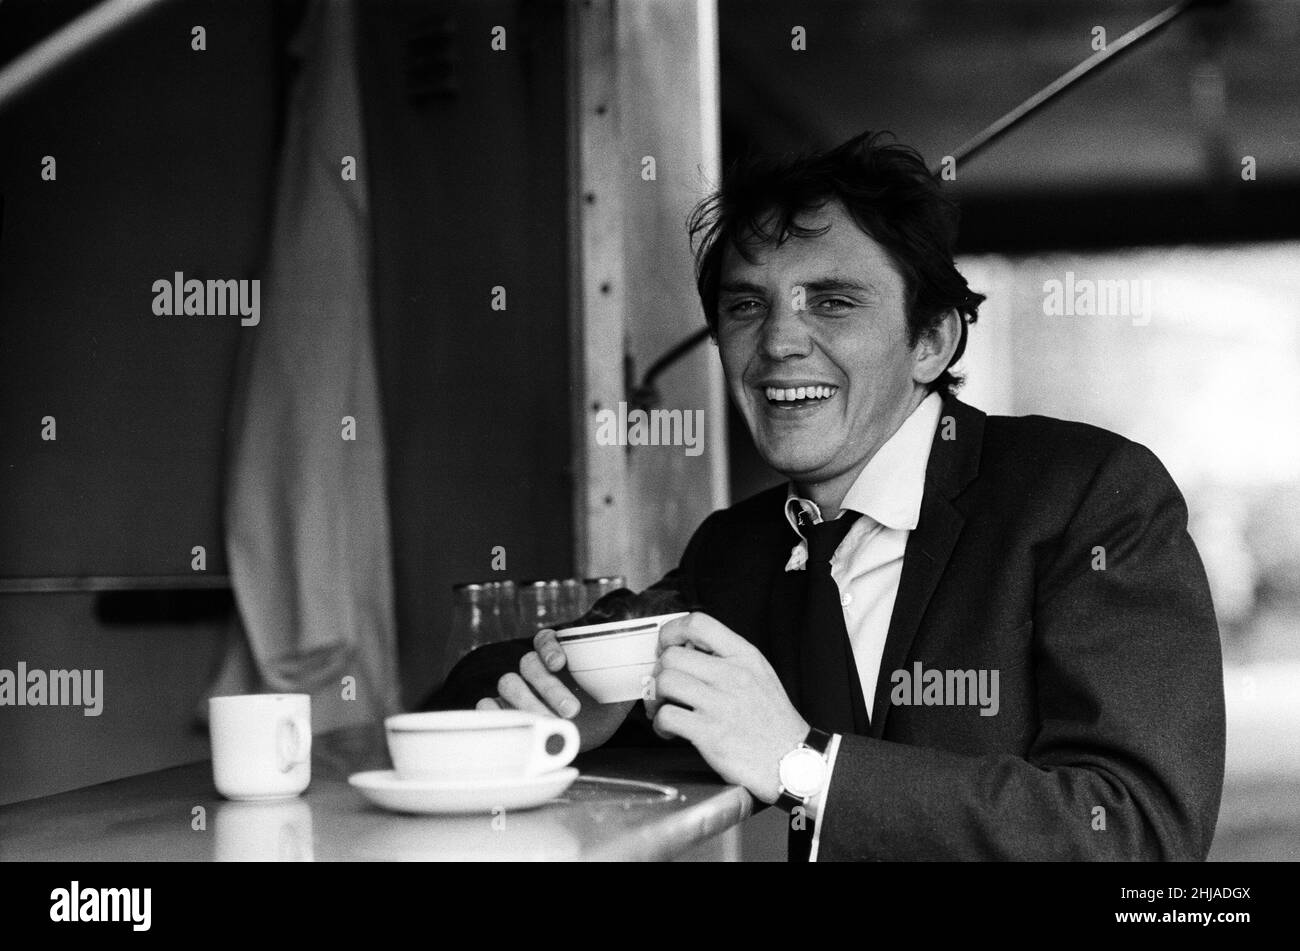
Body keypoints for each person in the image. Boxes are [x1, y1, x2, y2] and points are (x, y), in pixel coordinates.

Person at [427, 131, 1225, 861]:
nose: (777, 342)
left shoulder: (1087, 496)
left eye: (833, 301)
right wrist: (566, 700)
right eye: (747, 305)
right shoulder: (735, 552)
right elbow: (477, 685)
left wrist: (803, 764)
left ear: (932, 339)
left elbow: (1139, 830)